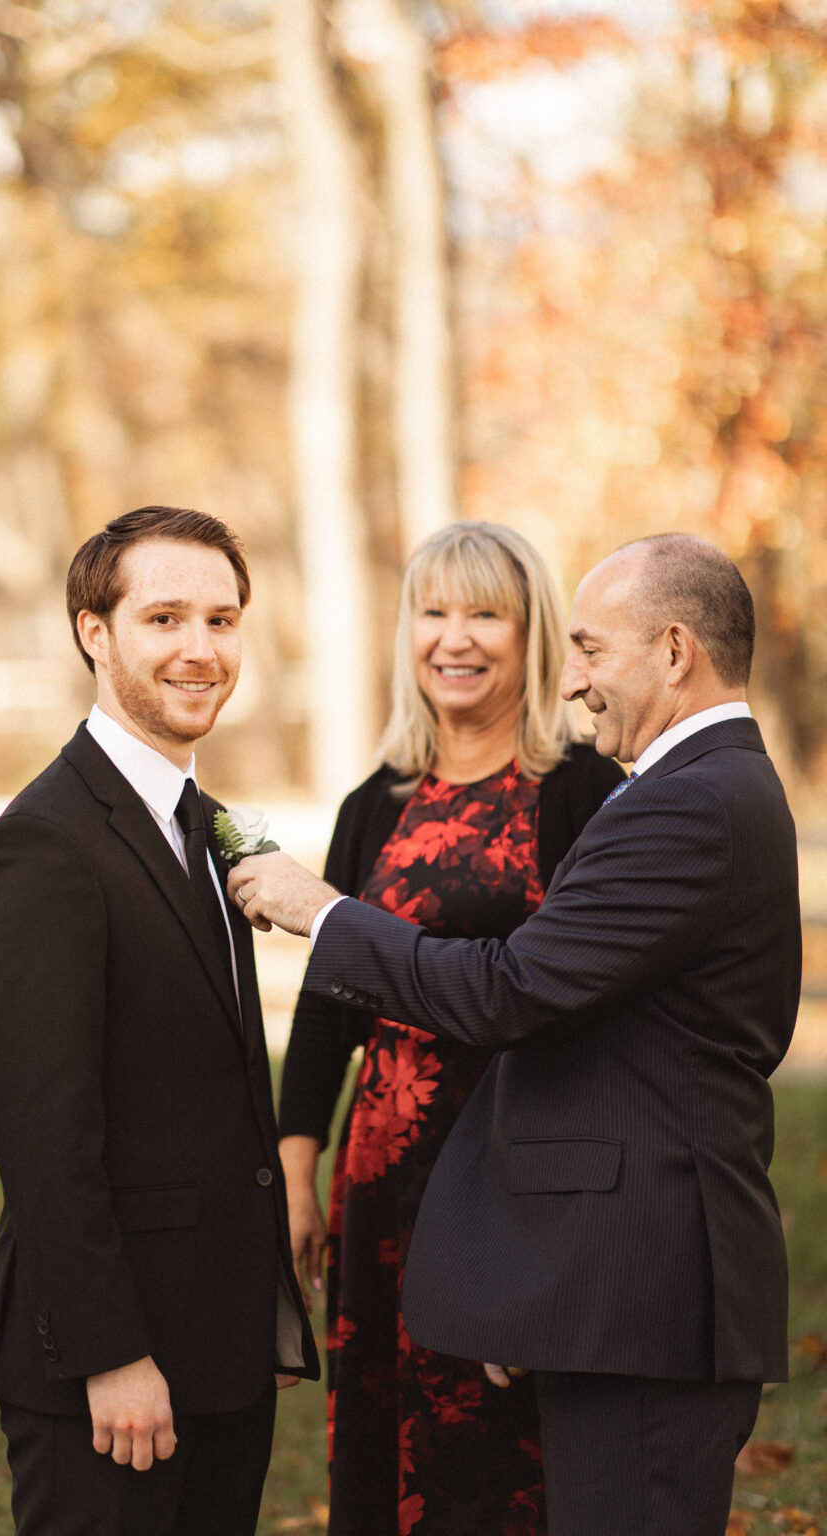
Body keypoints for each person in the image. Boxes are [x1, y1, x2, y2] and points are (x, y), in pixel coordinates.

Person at [228, 534, 801, 1536]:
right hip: (595, 1269)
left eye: (589, 649)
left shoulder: (682, 804)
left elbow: (513, 992)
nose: (571, 680)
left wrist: (323, 913)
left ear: (674, 652)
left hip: (640, 1288)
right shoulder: (693, 790)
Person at [0, 506, 318, 1536]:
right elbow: (42, 1132)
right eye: (164, 619)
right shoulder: (45, 844)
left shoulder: (208, 825)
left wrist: (257, 1311)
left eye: (221, 620)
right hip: (112, 1366)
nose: (200, 650)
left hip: (220, 1346)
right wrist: (110, 1353)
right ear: (95, 632)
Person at [277, 522, 622, 1535]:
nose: (454, 637)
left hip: (515, 1171)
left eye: (485, 614)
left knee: (495, 1452)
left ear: (532, 634)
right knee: (382, 1440)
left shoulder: (581, 792)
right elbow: (327, 1003)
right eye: (433, 611)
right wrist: (296, 1173)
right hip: (380, 1181)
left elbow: (598, 1004)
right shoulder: (374, 803)